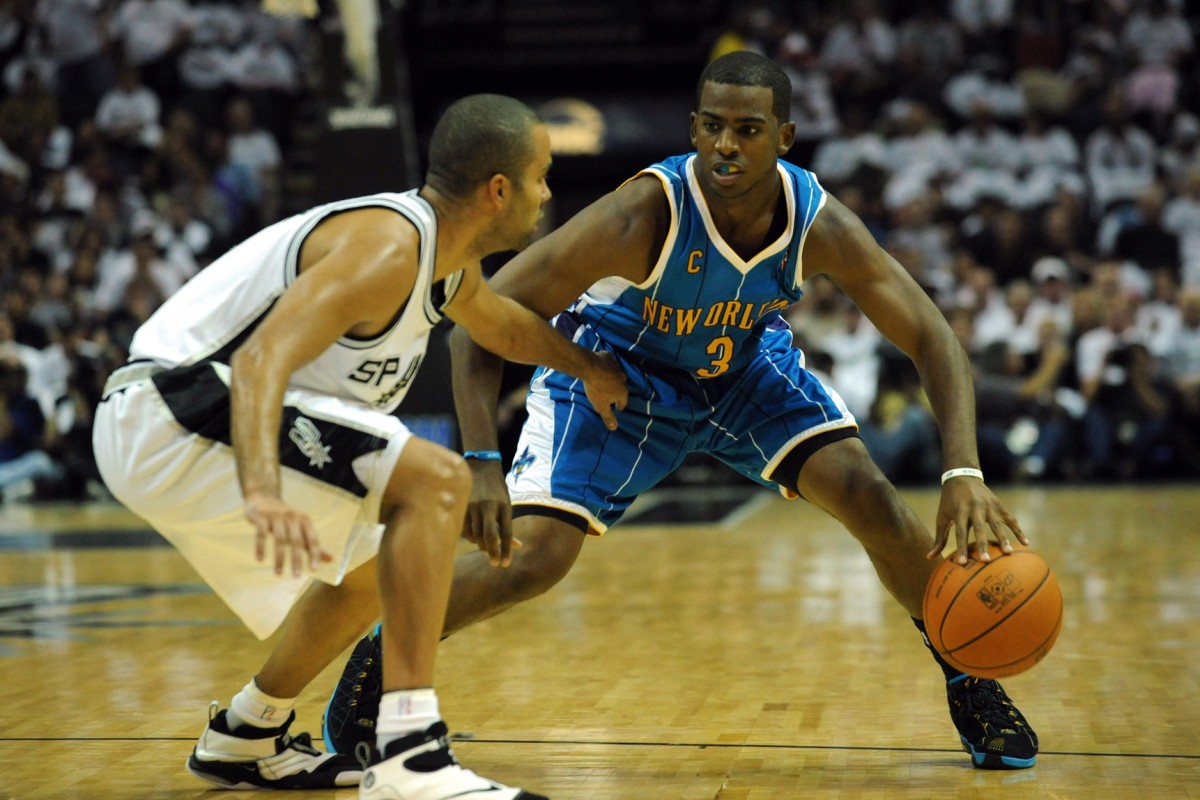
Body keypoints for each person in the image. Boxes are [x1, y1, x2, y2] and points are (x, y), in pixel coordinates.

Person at [325, 51, 1040, 774]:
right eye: (713, 126)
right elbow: (478, 329)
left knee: (871, 497)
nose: (727, 145)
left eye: (748, 130)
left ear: (785, 137)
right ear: (694, 129)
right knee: (533, 560)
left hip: (739, 369)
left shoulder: (817, 220)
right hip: (614, 375)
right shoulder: (641, 214)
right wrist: (482, 462)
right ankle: (384, 656)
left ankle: (967, 670)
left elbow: (931, 336)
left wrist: (963, 471)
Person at [92, 93, 628, 799]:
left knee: (375, 569)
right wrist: (261, 488)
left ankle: (247, 732)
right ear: (499, 190)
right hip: (170, 406)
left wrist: (590, 368)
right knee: (436, 482)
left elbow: (501, 325)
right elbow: (259, 360)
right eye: (541, 176)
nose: (548, 193)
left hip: (173, 420)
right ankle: (410, 755)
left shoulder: (444, 264)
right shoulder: (389, 246)